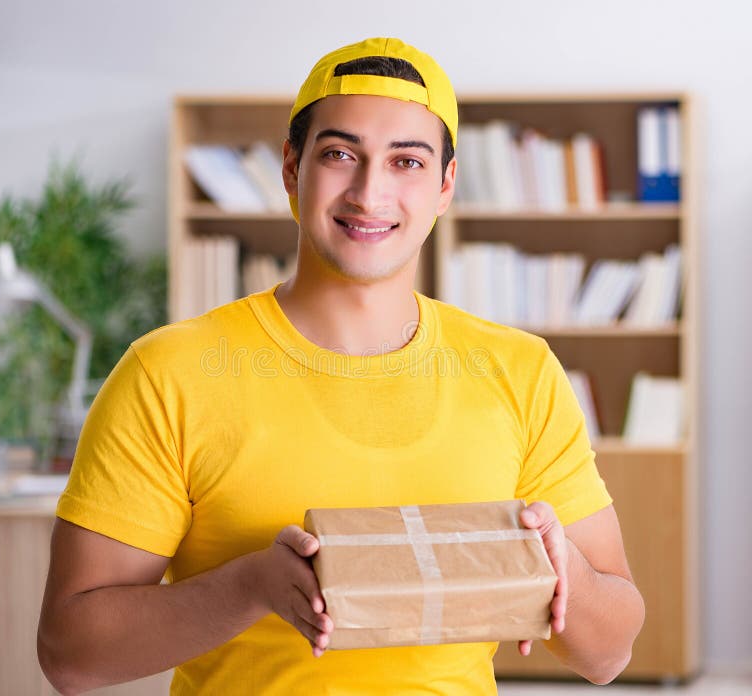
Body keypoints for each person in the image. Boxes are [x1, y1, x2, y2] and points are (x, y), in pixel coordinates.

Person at [37, 37, 644, 695]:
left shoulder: (519, 371)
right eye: (339, 154)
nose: (368, 191)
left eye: (406, 161)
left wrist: (568, 575)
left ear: (445, 186)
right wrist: (248, 586)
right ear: (292, 170)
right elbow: (71, 655)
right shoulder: (170, 373)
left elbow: (608, 655)